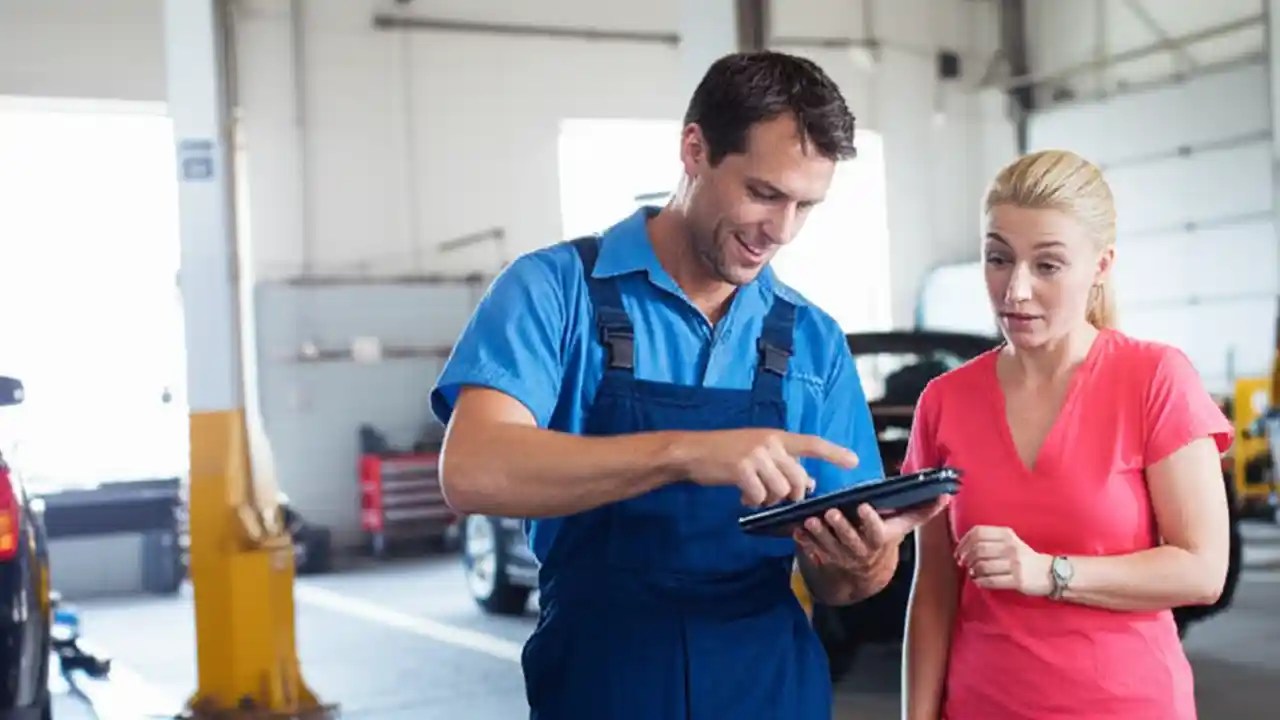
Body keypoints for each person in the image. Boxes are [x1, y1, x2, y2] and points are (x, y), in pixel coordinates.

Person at [430, 51, 947, 719]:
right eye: (763, 193)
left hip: (769, 689)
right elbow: (472, 470)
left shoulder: (813, 340)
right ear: (694, 149)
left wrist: (865, 560)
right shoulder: (553, 292)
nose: (782, 230)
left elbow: (843, 584)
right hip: (603, 686)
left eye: (805, 206)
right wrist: (688, 452)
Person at [901, 149, 1234, 720]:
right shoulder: (944, 401)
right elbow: (934, 589)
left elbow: (1203, 571)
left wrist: (1051, 573)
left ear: (1101, 266)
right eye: (998, 259)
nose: (1016, 290)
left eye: (1047, 265)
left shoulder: (1154, 379)